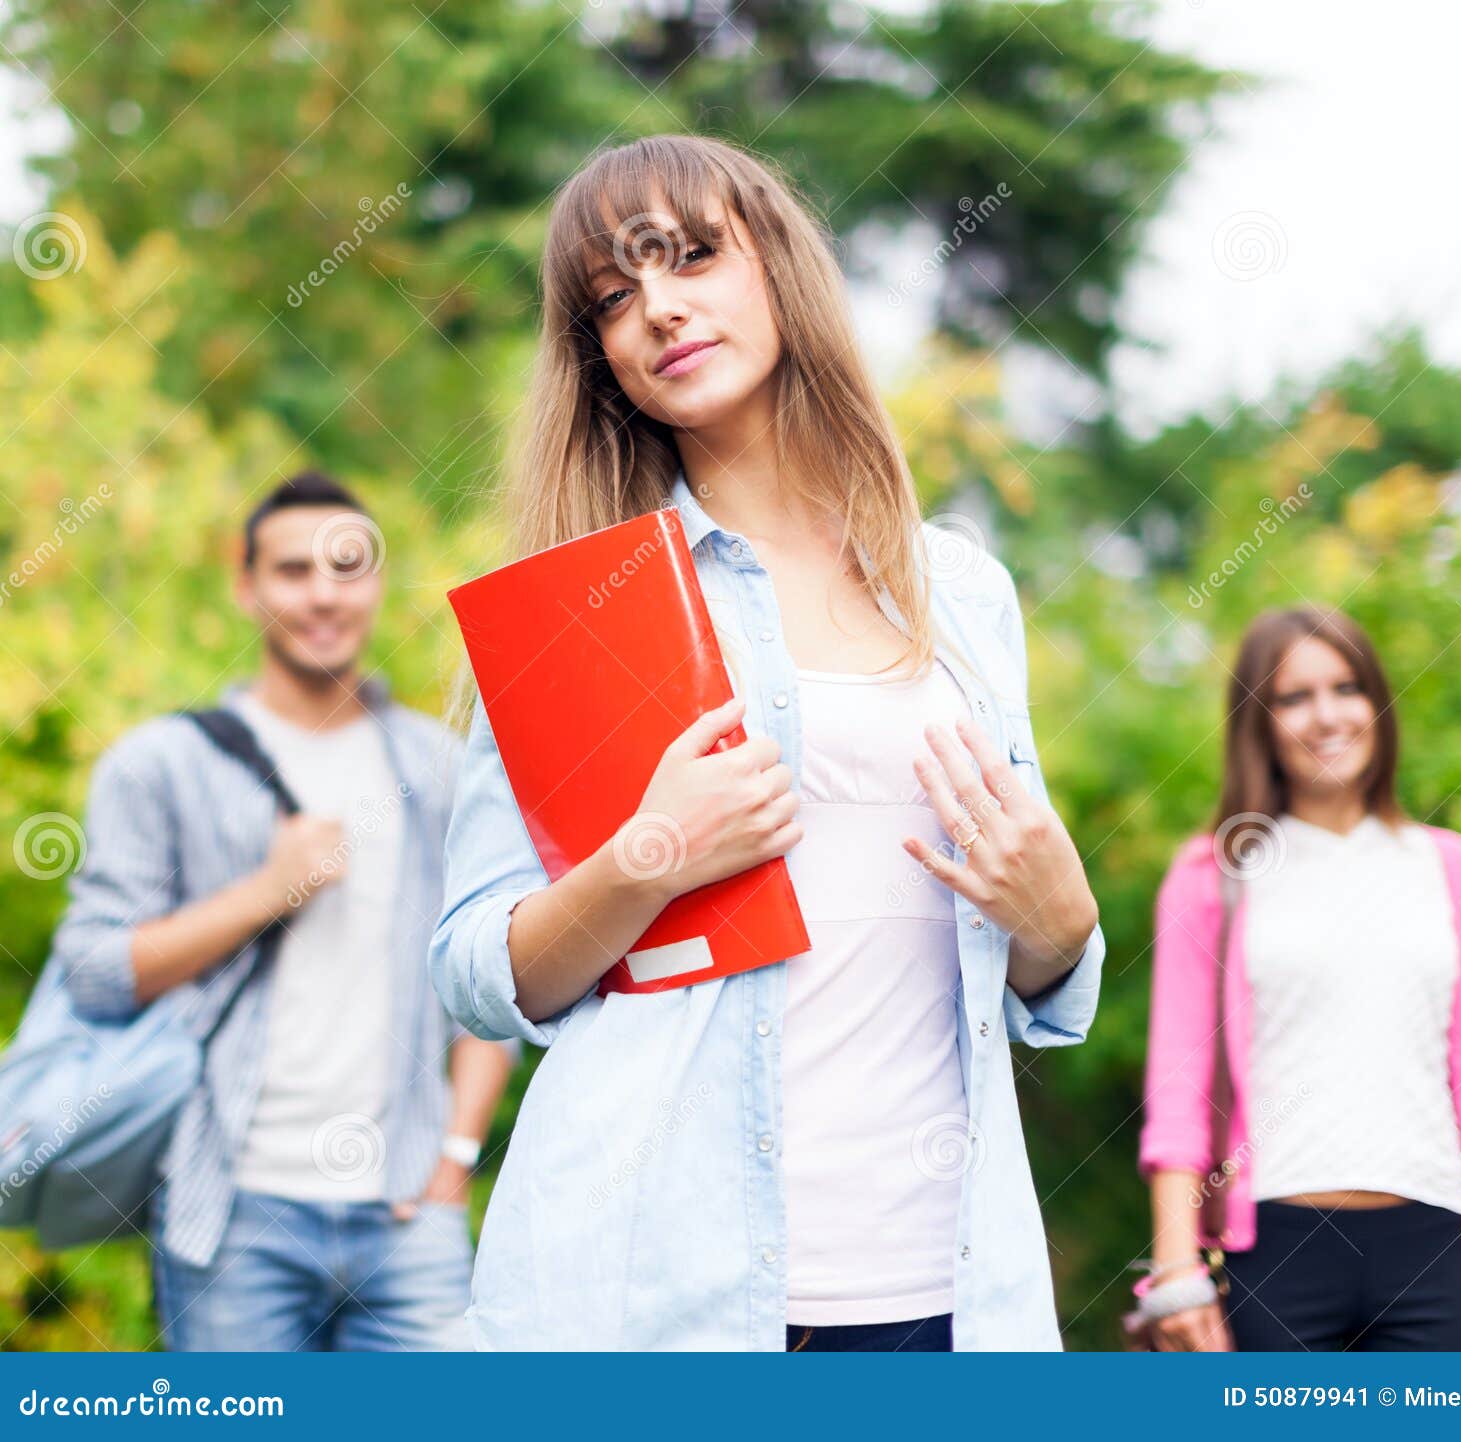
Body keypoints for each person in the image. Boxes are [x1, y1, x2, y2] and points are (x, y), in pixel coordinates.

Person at [430, 134, 1105, 1352]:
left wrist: (1061, 923)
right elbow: (479, 968)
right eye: (612, 301)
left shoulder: (959, 591)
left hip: (948, 1290)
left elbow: (1031, 944)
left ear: (779, 269)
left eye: (691, 257)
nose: (658, 311)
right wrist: (650, 854)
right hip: (664, 1294)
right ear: (601, 361)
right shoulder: (576, 611)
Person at [50, 471, 517, 1351]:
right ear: (247, 585)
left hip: (408, 1211)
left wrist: (457, 1155)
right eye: (294, 570)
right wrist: (266, 893)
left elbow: (484, 975)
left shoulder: (440, 768)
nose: (324, 594)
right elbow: (94, 975)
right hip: (231, 1215)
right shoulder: (161, 766)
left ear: (378, 584)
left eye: (349, 568)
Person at [1136, 605, 1461, 1352]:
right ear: (1260, 721)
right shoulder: (1210, 877)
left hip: (1429, 1249)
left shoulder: (1449, 866)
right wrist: (1175, 1268)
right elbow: (1177, 1093)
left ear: (1376, 701)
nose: (1326, 715)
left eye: (1345, 687)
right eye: (1293, 697)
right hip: (1273, 1256)